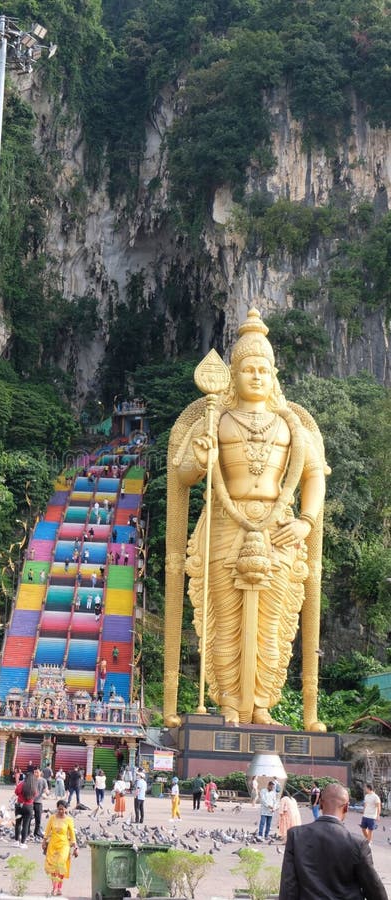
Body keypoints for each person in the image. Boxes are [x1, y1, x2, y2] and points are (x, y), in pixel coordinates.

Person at [164, 309, 328, 729]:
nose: (256, 376)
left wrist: (306, 521)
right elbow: (183, 474)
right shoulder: (215, 419)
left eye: (263, 369)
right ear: (233, 375)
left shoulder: (292, 425)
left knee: (271, 624)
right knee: (225, 620)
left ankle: (261, 705)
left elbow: (314, 475)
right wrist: (200, 458)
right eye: (247, 369)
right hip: (224, 523)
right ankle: (229, 706)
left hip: (278, 527)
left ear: (273, 374)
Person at [279, 782, 387, 900]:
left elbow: (288, 885)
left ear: (320, 804)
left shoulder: (296, 836)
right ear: (346, 807)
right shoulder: (358, 843)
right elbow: (374, 889)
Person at [42, 800, 78, 897]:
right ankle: (55, 887)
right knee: (53, 867)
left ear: (66, 809)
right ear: (57, 808)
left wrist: (75, 847)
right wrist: (44, 841)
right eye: (59, 809)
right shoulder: (52, 818)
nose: (61, 811)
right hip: (53, 845)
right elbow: (47, 831)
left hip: (64, 845)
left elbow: (72, 835)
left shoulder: (69, 820)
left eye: (63, 809)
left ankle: (58, 887)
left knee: (60, 865)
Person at [14, 771, 35, 848]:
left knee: (18, 823)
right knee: (26, 825)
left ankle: (16, 841)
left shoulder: (21, 784)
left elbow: (16, 792)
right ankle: (23, 843)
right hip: (29, 807)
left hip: (19, 806)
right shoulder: (33, 786)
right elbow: (35, 794)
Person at [32, 767, 49, 839]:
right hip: (30, 802)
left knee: (38, 818)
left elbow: (46, 790)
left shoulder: (43, 780)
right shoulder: (31, 780)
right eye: (35, 772)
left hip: (39, 802)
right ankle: (26, 832)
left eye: (37, 772)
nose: (36, 774)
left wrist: (46, 793)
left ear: (40, 772)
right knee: (28, 818)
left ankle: (37, 832)